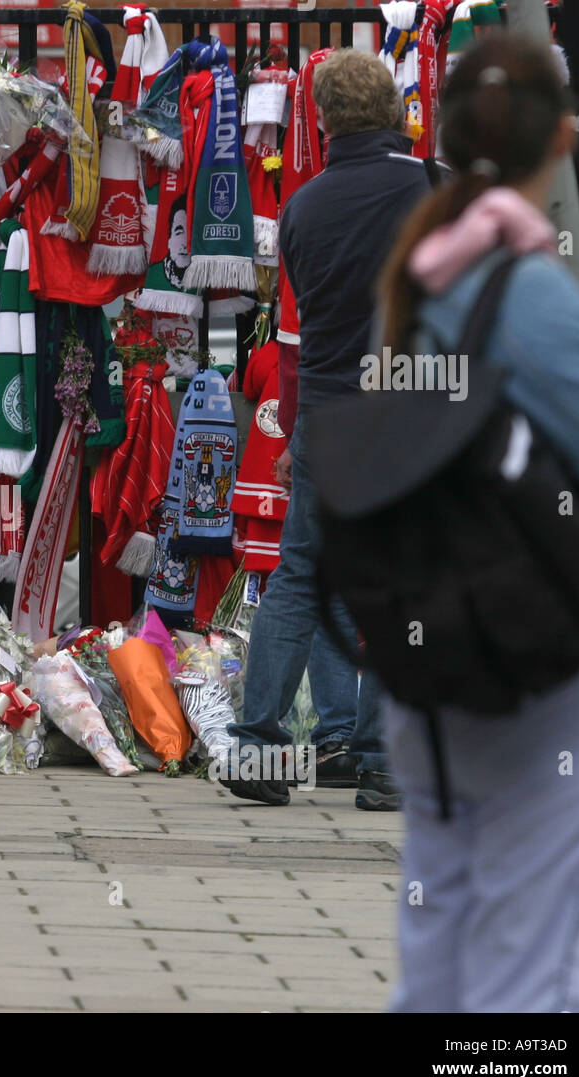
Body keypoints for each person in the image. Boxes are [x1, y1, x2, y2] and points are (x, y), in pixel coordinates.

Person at [375, 31, 579, 1013]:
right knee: (537, 943)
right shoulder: (530, 295)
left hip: (431, 635)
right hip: (537, 650)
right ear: (562, 137)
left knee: (440, 912)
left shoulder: (420, 274)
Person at [221, 49, 429, 808]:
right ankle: (380, 763)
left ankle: (255, 750)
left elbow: (303, 339)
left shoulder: (303, 208)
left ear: (321, 118)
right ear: (394, 113)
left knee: (299, 577)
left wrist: (297, 430)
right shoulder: (430, 189)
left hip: (328, 418)